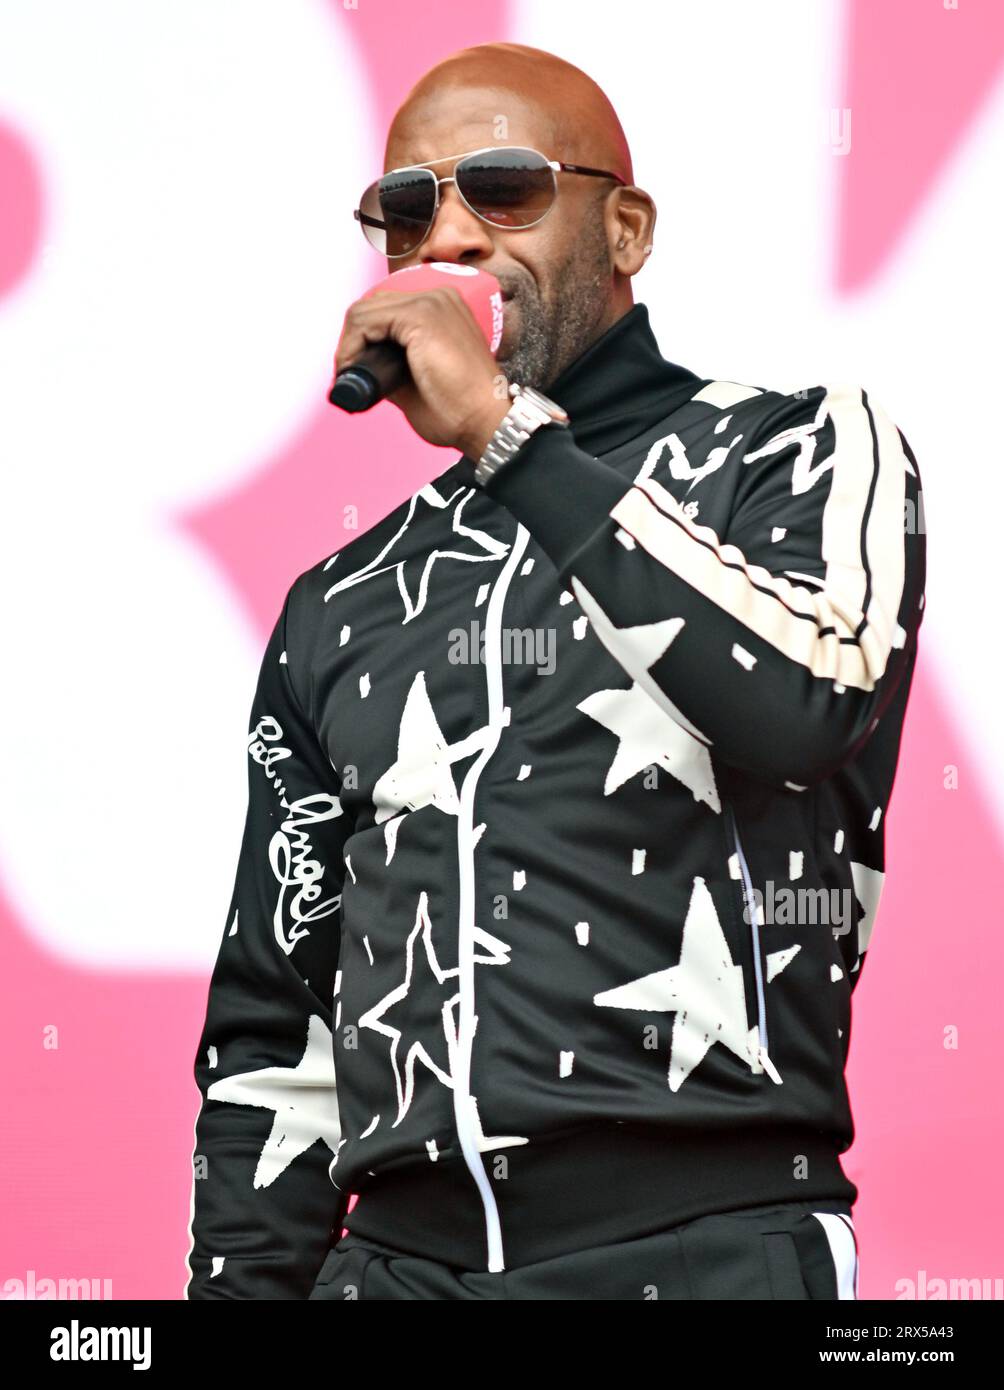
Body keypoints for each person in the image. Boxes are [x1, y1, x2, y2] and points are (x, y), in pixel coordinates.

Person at [184, 41, 926, 1301]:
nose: (451, 238)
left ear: (626, 228)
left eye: (503, 188)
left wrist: (507, 437)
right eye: (408, 211)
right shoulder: (342, 600)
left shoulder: (797, 445)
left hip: (702, 1242)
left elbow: (806, 706)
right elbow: (280, 1025)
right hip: (392, 1265)